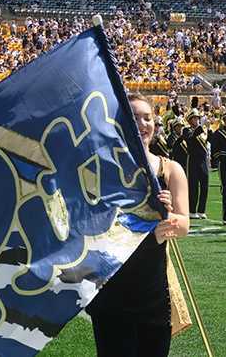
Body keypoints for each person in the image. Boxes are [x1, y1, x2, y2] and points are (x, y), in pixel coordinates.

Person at [86, 93, 189, 357]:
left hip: (153, 288)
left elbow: (184, 225)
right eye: (134, 118)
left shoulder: (171, 169)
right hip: (112, 284)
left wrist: (170, 215)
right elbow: (94, 224)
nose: (143, 124)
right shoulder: (105, 168)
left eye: (148, 118)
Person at [182, 109, 209, 219]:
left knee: (204, 186)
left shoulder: (202, 130)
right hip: (192, 159)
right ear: (189, 120)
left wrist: (209, 130)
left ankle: (201, 210)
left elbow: (209, 140)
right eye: (194, 118)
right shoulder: (186, 130)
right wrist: (201, 127)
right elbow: (190, 138)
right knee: (193, 186)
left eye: (198, 118)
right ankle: (192, 210)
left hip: (203, 160)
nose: (196, 120)